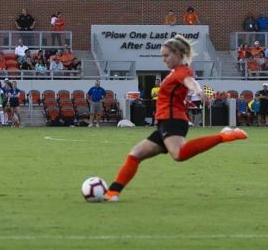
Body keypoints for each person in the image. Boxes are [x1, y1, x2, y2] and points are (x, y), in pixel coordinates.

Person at [103, 36, 248, 201]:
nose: (163, 60)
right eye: (162, 56)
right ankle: (112, 193)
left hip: (173, 120)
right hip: (164, 122)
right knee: (135, 154)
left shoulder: (182, 71)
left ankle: (223, 136)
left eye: (166, 56)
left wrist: (199, 92)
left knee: (179, 154)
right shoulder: (173, 72)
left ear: (178, 54)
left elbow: (190, 82)